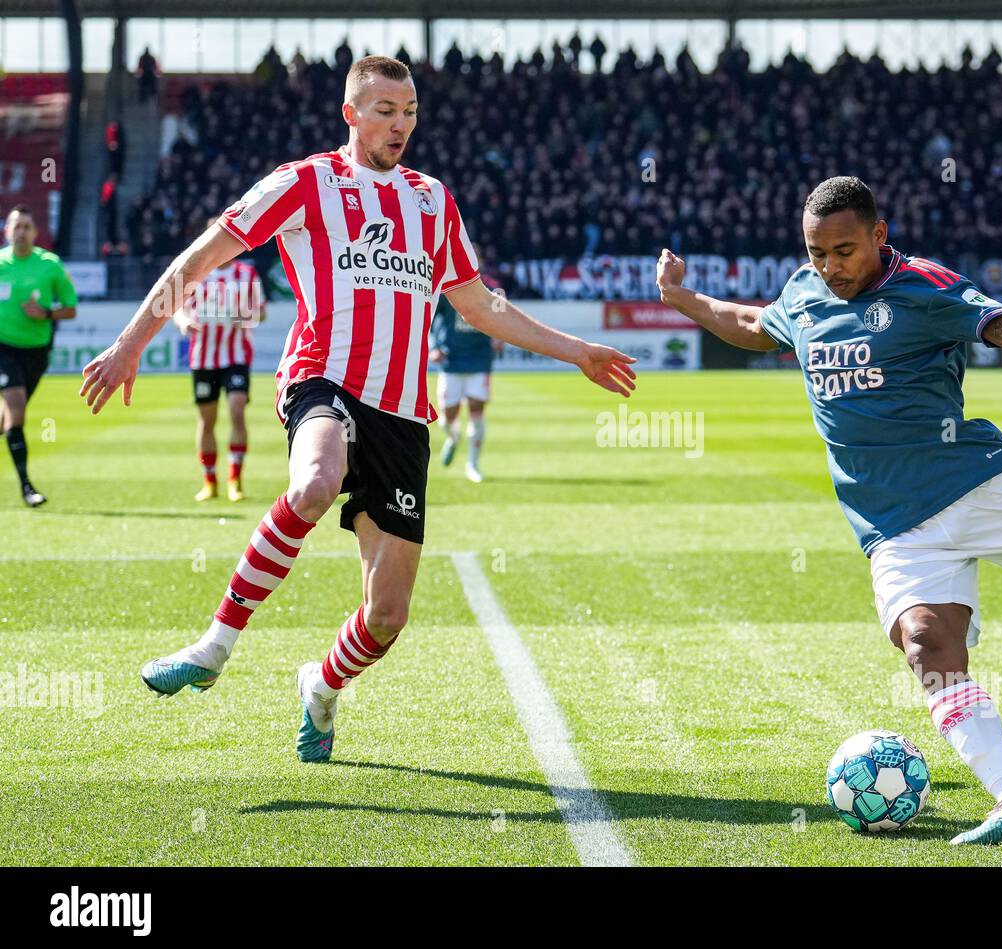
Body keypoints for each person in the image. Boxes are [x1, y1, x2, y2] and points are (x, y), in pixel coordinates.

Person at [80, 55, 636, 762]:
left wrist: (576, 351)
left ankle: (320, 686)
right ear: (351, 113)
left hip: (403, 414)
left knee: (386, 617)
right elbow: (198, 259)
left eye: (408, 112)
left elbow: (478, 304)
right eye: (384, 110)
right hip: (324, 381)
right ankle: (214, 646)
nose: (399, 124)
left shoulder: (432, 199)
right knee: (312, 483)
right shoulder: (305, 183)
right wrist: (131, 343)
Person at [656, 176, 1002, 845]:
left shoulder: (925, 286)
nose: (831, 267)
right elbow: (752, 325)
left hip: (973, 484)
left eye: (844, 250)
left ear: (878, 235)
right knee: (927, 644)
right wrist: (681, 298)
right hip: (890, 523)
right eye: (817, 253)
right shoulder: (804, 295)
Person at [173, 217, 264, 502]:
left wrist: (244, 317)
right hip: (203, 358)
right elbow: (178, 309)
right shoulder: (197, 274)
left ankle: (235, 481)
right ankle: (209, 482)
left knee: (237, 410)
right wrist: (184, 323)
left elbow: (261, 312)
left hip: (236, 355)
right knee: (207, 419)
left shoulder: (246, 275)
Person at [0, 205, 78, 506]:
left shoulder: (50, 265)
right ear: (7, 230)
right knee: (17, 409)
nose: (20, 232)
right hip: (3, 348)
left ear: (35, 232)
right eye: (16, 226)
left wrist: (45, 312)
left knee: (8, 421)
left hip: (36, 352)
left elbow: (70, 309)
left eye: (26, 227)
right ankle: (27, 488)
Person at [431, 248, 501, 483]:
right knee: (447, 417)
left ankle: (473, 464)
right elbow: (430, 317)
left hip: (479, 359)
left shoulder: (493, 288)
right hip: (451, 360)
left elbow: (504, 317)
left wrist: (500, 338)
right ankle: (452, 438)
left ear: (480, 261)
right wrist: (433, 347)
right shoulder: (446, 286)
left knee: (476, 412)